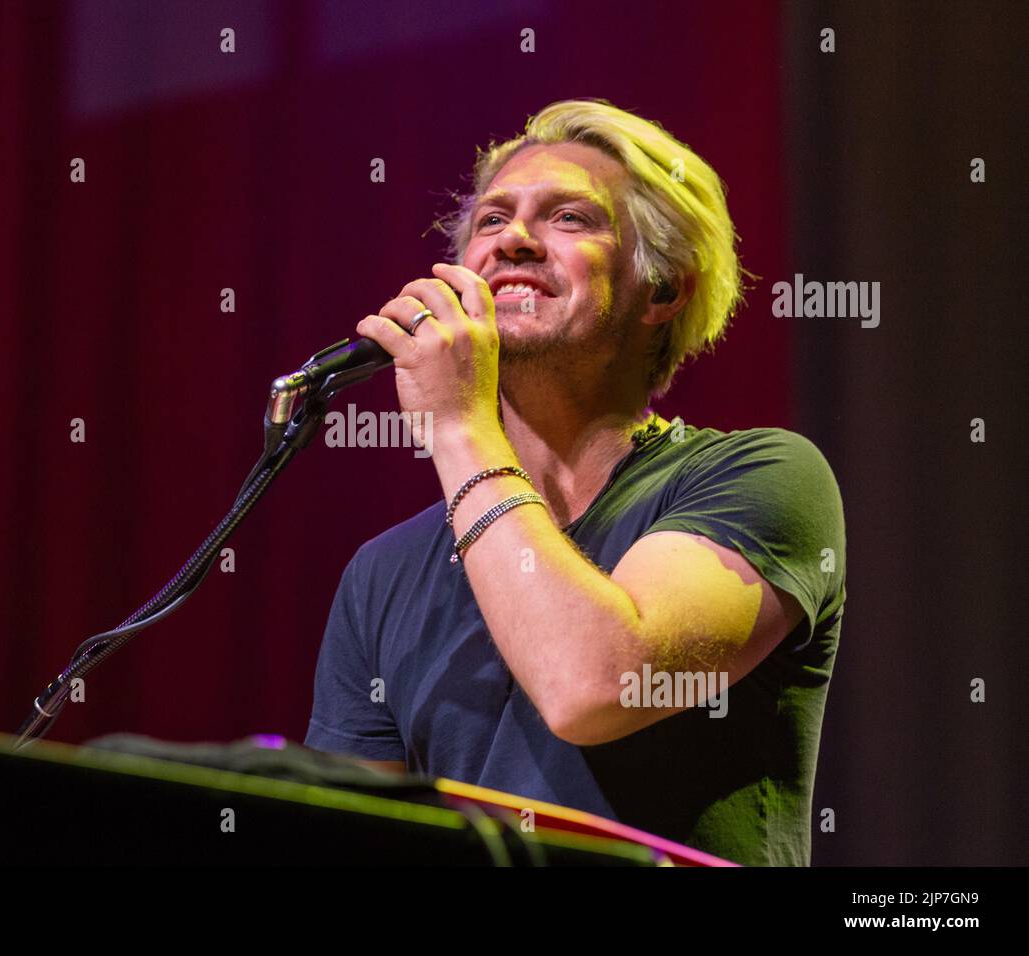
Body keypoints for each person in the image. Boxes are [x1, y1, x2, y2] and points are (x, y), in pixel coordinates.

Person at [303, 98, 845, 867]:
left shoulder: (762, 476)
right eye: (491, 222)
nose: (514, 239)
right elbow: (343, 838)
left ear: (663, 289)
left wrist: (459, 428)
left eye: (569, 218)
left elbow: (595, 686)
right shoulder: (382, 572)